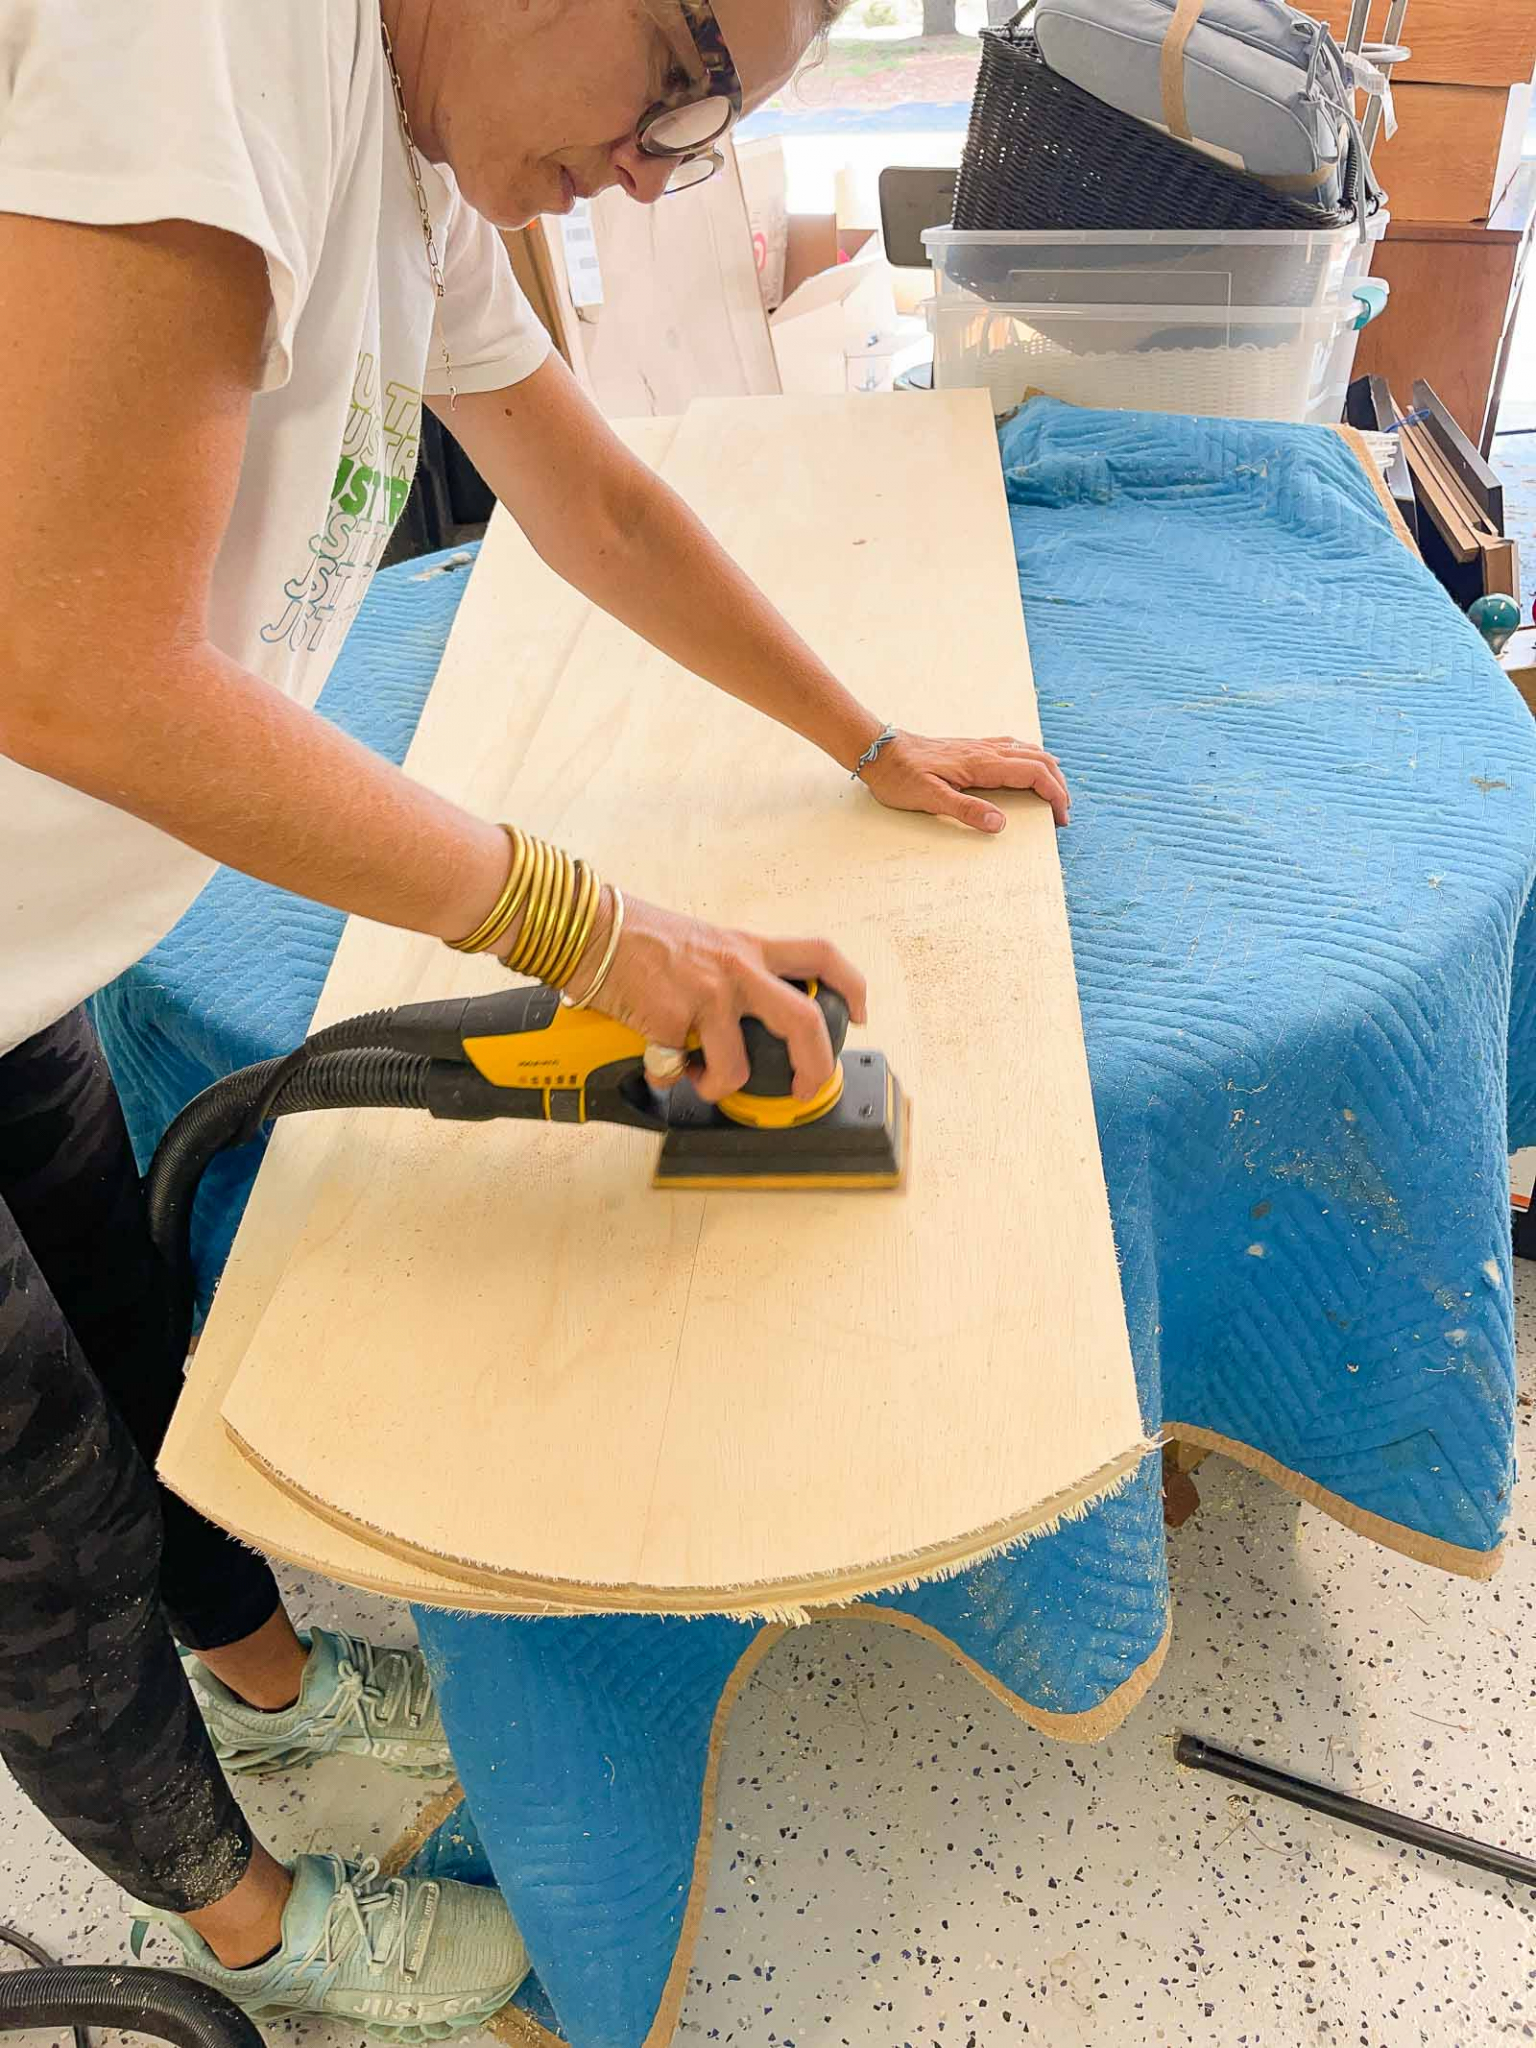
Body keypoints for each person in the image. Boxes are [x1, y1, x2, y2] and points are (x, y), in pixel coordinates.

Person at [0, 0, 1072, 2034]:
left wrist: (860, 731)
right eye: (677, 76)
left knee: (130, 1341)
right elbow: (74, 664)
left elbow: (597, 503)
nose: (661, 166)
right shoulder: (197, 34)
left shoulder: (402, 141)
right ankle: (240, 1918)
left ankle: (281, 1690)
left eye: (716, 128)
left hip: (22, 932)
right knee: (33, 1516)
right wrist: (597, 930)